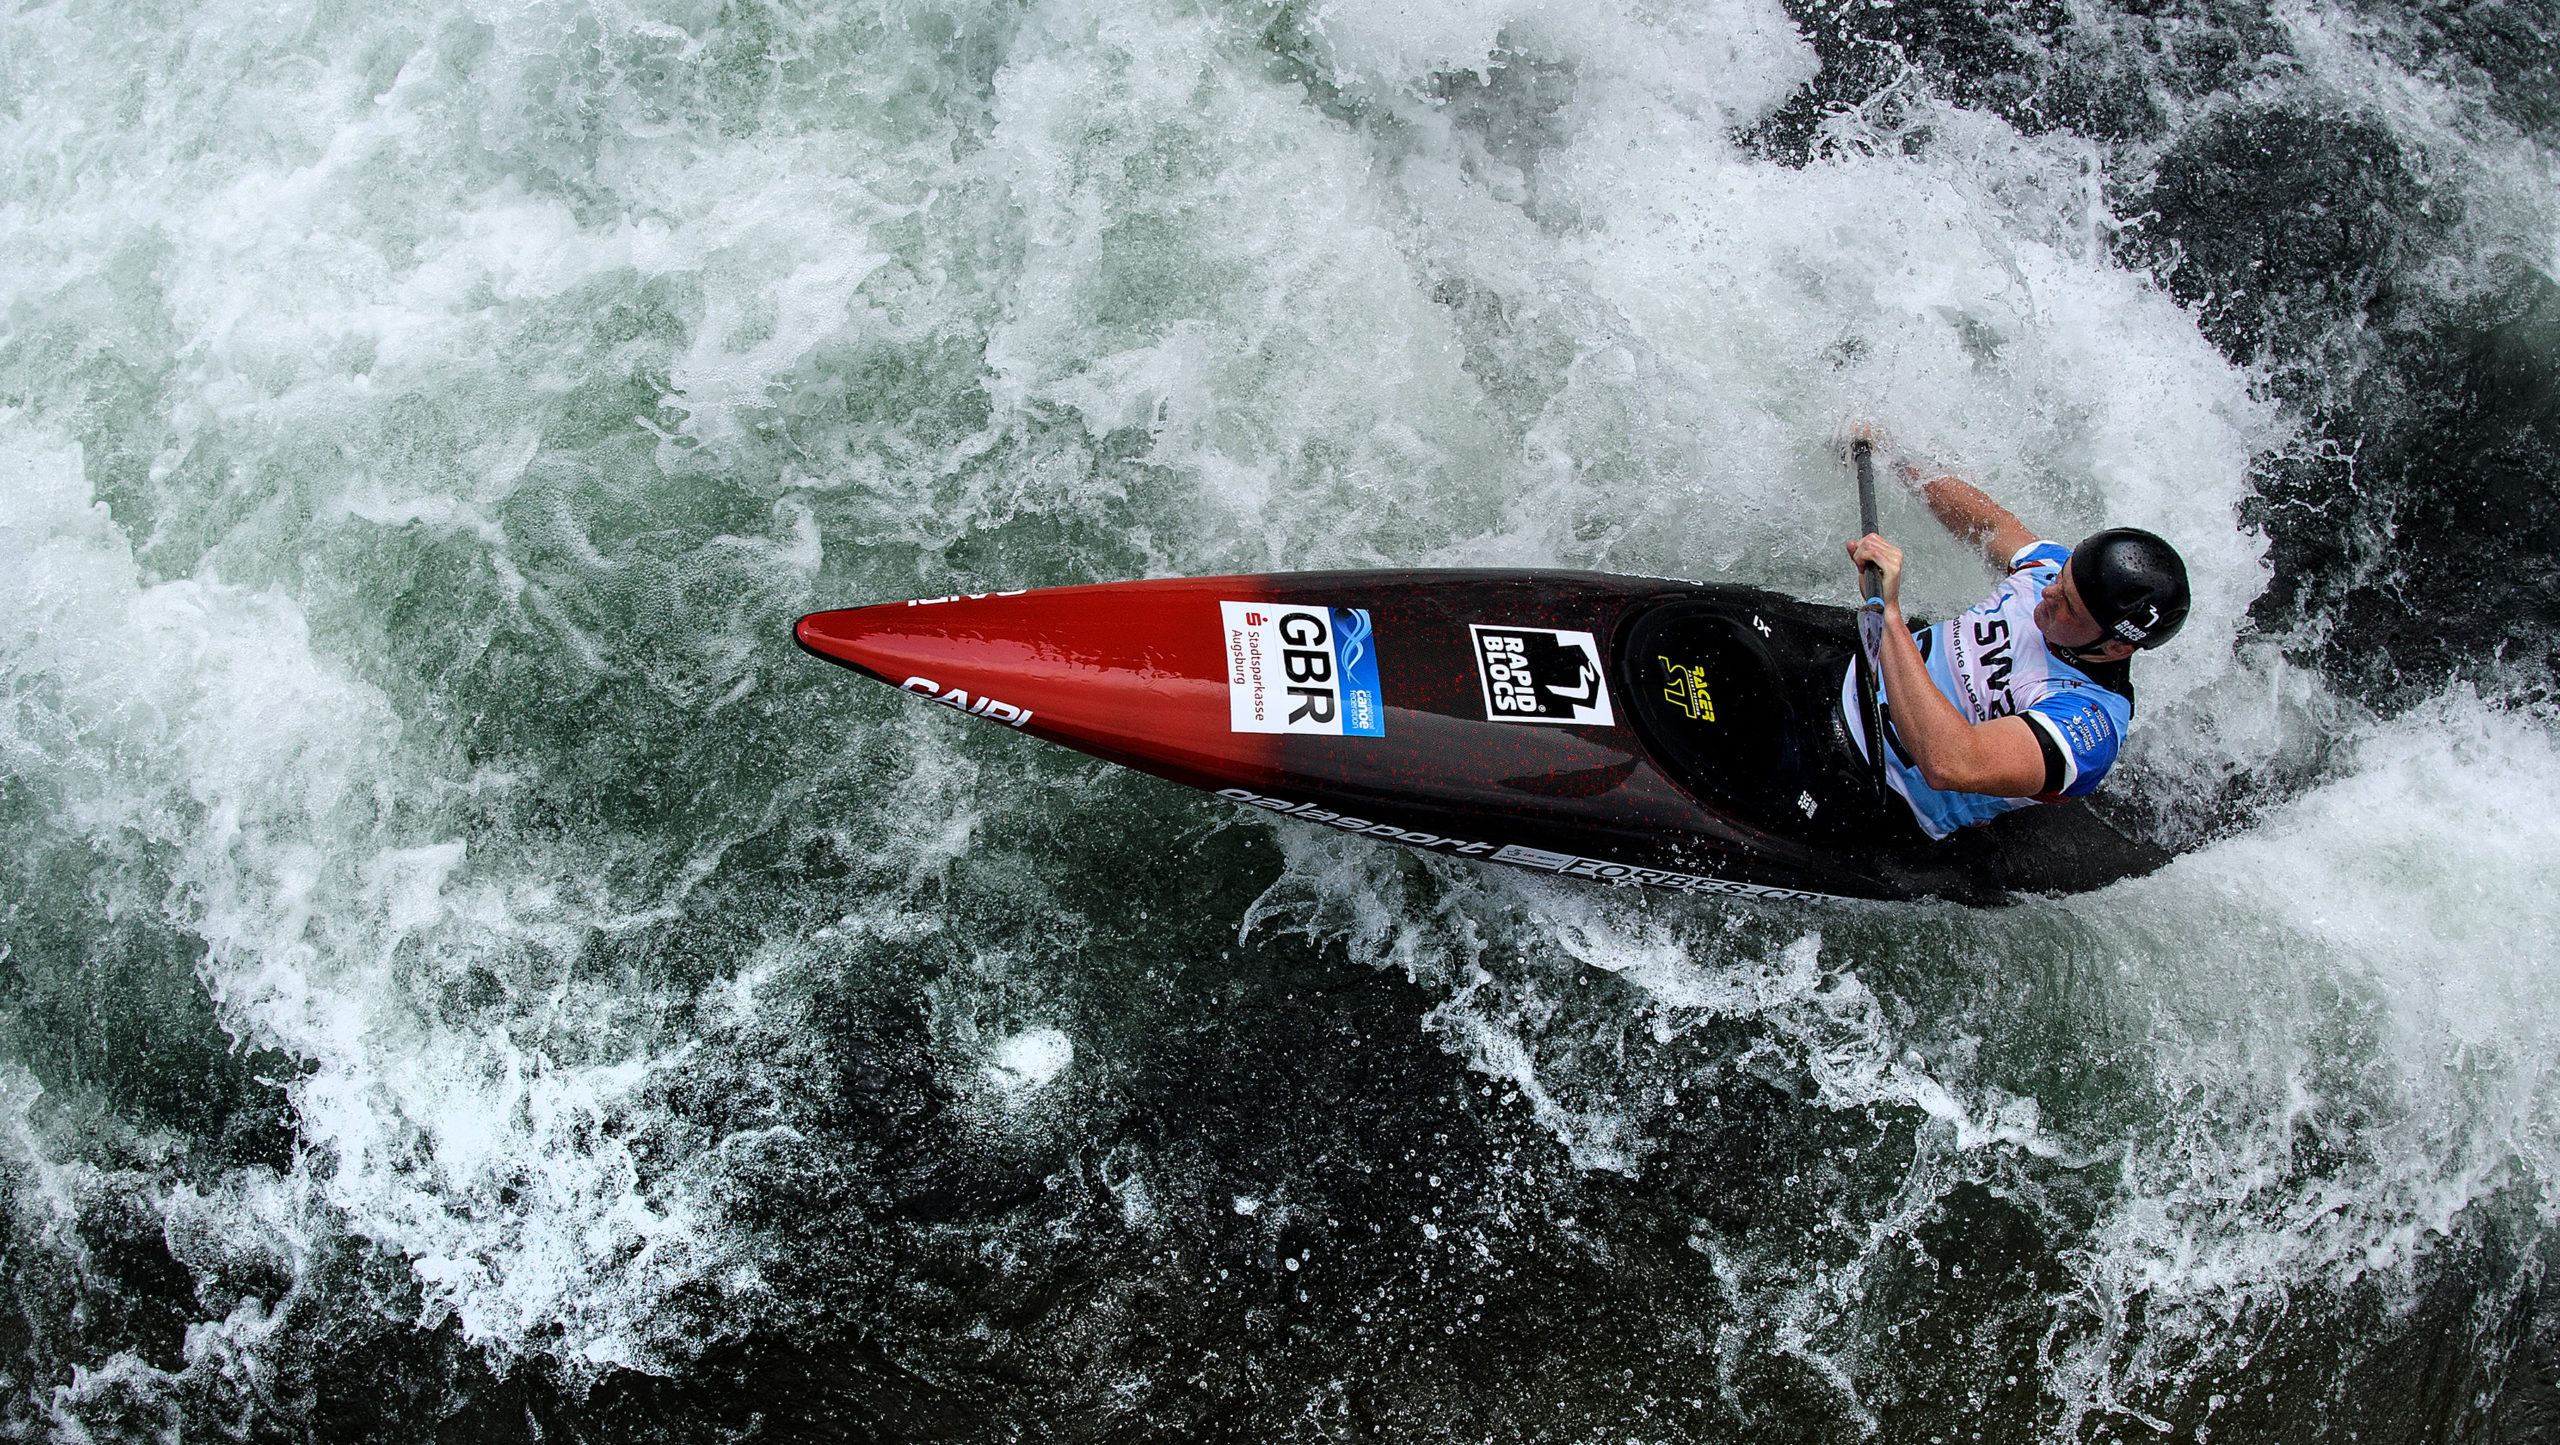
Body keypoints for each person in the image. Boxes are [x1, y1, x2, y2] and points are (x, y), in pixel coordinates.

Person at [1840, 449, 2190, 840]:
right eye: (2062, 577)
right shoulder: (2053, 574)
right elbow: (1986, 521)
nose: (2049, 592)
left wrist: (1888, 613)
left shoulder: (2086, 723)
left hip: (1874, 791)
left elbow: (1950, 762)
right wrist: (1896, 461)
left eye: (2069, 604)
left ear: (2115, 648)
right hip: (1847, 679)